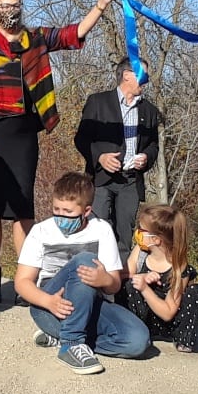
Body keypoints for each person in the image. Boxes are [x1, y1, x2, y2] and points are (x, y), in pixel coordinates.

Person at [0, 0, 113, 302]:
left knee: (22, 210)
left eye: (15, 4)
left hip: (23, 133)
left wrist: (100, 6)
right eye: (5, 5)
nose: (11, 10)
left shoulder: (36, 38)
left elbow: (73, 34)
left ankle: (25, 278)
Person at [14, 172, 149, 375]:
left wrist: (105, 280)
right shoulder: (40, 231)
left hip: (90, 305)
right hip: (48, 308)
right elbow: (22, 282)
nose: (60, 216)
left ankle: (61, 336)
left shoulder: (102, 230)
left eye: (68, 212)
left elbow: (114, 285)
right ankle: (71, 343)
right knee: (85, 260)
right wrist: (48, 301)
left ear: (86, 211)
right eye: (56, 209)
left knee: (138, 340)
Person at [74, 60, 161, 251]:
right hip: (101, 179)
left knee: (124, 235)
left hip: (131, 181)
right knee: (97, 230)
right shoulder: (98, 102)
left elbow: (153, 145)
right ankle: (94, 269)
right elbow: (81, 139)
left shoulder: (150, 110)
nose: (147, 80)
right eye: (143, 75)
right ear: (127, 75)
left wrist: (146, 157)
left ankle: (121, 270)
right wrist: (100, 157)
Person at [118, 203, 198, 352]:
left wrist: (145, 288)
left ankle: (183, 339)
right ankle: (134, 330)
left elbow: (168, 313)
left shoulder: (178, 266)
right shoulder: (140, 252)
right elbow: (122, 274)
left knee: (197, 292)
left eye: (141, 229)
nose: (137, 232)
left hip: (169, 322)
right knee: (128, 284)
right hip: (145, 317)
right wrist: (141, 277)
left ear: (156, 239)